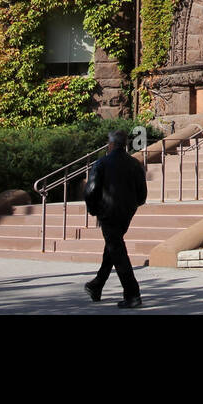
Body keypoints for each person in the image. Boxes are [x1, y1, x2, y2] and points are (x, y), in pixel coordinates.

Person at [83, 130, 147, 308]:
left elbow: (90, 190)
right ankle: (97, 285)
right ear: (124, 144)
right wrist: (133, 205)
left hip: (108, 212)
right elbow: (142, 194)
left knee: (117, 251)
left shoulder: (101, 163)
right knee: (113, 246)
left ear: (110, 144)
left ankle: (133, 294)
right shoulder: (135, 164)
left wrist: (94, 209)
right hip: (126, 212)